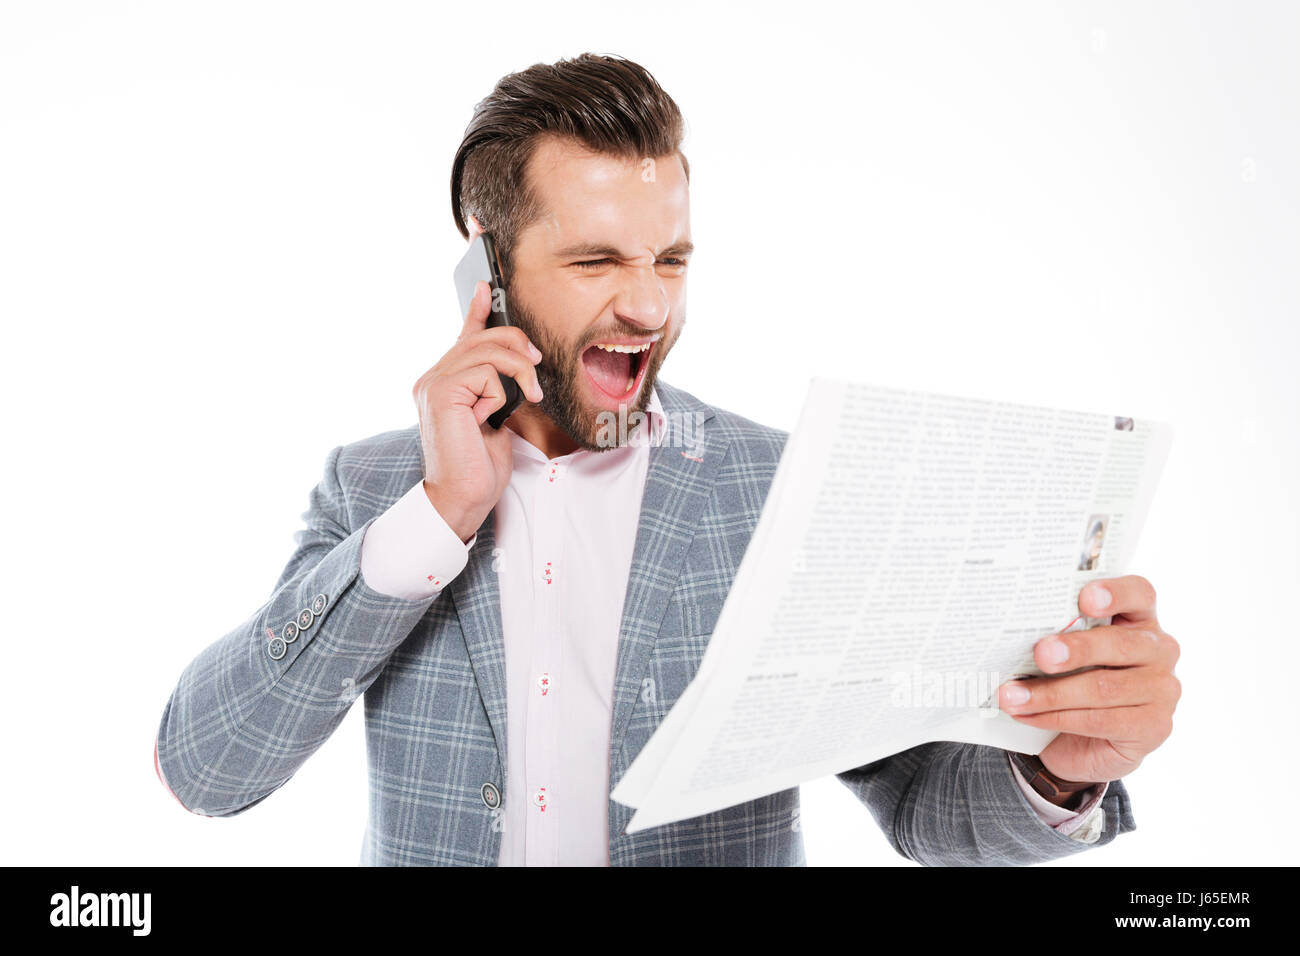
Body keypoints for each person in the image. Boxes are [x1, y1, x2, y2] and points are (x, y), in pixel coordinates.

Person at [154, 53, 1181, 866]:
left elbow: (920, 803)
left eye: (670, 259)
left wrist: (1055, 774)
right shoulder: (373, 490)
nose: (648, 305)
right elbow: (207, 768)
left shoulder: (777, 488)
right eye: (596, 260)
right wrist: (436, 516)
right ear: (489, 265)